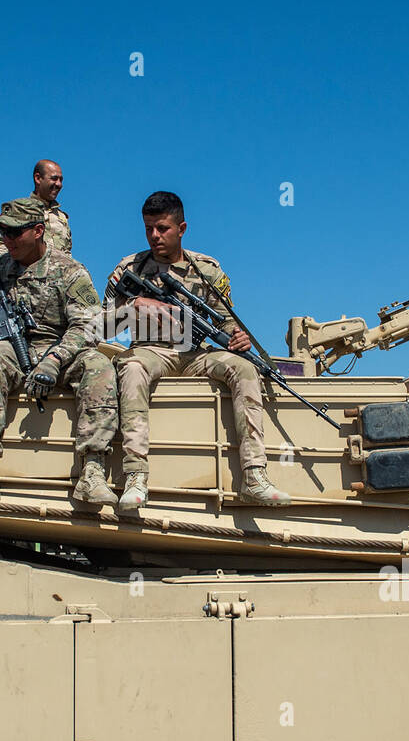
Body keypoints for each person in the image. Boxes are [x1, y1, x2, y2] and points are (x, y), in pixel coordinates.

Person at [104, 191, 290, 511]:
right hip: (150, 351)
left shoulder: (207, 269)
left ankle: (254, 474)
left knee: (245, 368)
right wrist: (134, 306)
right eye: (148, 228)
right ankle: (135, 475)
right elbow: (101, 327)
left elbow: (226, 320)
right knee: (131, 368)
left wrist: (238, 338)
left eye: (162, 228)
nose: (154, 236)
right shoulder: (129, 268)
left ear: (182, 228)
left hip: (195, 353)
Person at [0, 199, 118, 507]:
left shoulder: (71, 271)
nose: (6, 240)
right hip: (11, 349)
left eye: (14, 233)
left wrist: (55, 360)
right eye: (2, 232)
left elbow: (88, 325)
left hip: (59, 348)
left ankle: (92, 470)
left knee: (99, 365)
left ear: (38, 231)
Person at [0, 159, 71, 258]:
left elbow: (67, 252)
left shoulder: (61, 218)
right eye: (54, 179)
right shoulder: (17, 211)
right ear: (38, 178)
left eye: (61, 180)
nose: (59, 184)